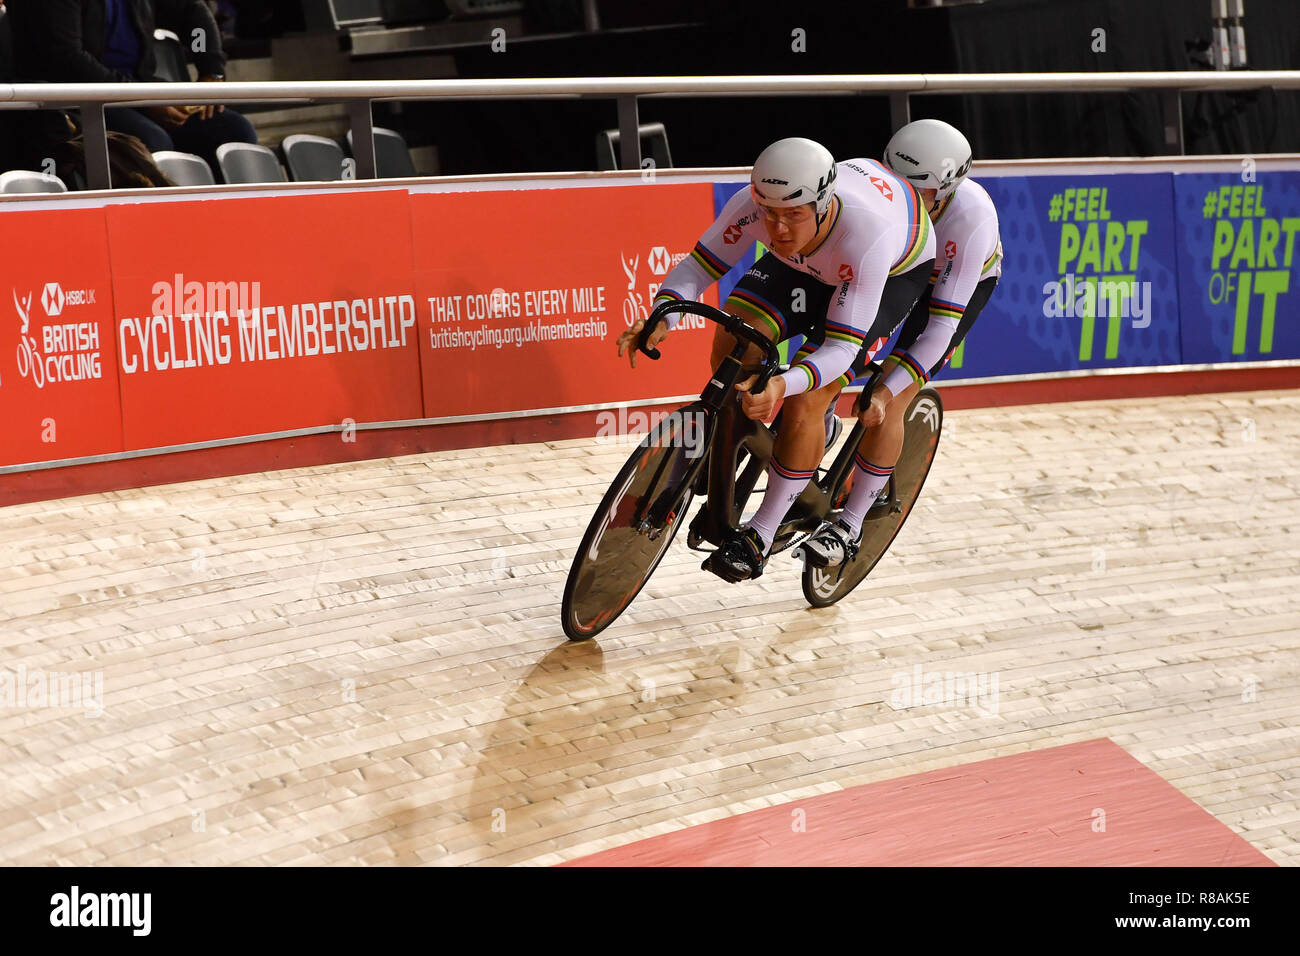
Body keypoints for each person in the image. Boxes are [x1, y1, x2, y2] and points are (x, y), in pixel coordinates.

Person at [617, 137, 935, 583]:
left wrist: (784, 386)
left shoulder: (867, 234)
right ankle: (737, 435)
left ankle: (759, 536)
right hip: (806, 261)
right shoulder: (759, 204)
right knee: (735, 338)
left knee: (808, 399)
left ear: (823, 203)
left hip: (887, 271)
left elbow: (841, 349)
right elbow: (699, 266)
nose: (778, 228)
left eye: (792, 215)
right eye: (770, 214)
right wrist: (662, 314)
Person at [800, 119, 1002, 568]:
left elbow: (939, 329)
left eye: (923, 194)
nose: (908, 200)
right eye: (898, 184)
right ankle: (826, 420)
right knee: (829, 354)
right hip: (897, 269)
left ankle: (850, 526)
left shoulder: (971, 219)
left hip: (941, 289)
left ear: (948, 191)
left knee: (887, 401)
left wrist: (888, 390)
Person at [7, 0, 259, 183]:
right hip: (80, 98)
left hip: (139, 91)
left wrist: (211, 70)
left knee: (232, 130)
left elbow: (193, 16)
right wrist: (144, 100)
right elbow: (67, 61)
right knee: (152, 140)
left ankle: (236, 223)